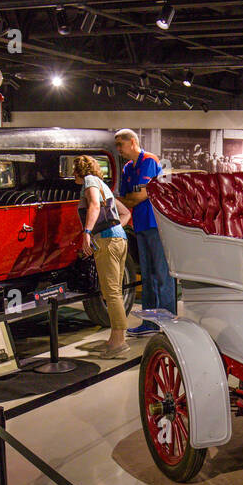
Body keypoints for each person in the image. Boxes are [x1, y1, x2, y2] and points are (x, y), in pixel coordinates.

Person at [115, 128, 173, 335]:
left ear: (132, 142)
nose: (118, 149)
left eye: (120, 144)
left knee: (161, 274)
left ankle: (167, 323)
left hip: (155, 224)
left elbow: (137, 197)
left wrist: (129, 198)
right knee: (148, 276)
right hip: (140, 225)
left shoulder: (148, 160)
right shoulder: (128, 168)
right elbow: (126, 197)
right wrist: (131, 197)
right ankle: (150, 323)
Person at [75, 155, 130, 358]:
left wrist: (87, 233)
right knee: (113, 291)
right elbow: (125, 214)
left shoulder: (89, 181)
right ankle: (115, 338)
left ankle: (119, 342)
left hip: (106, 241)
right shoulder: (103, 185)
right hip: (119, 239)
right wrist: (114, 228)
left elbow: (94, 206)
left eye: (74, 170)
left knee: (111, 292)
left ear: (80, 170)